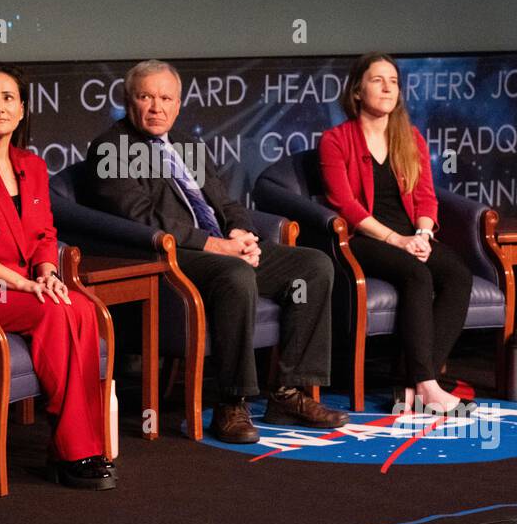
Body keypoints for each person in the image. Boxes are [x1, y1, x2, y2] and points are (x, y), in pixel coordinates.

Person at [86, 59, 348, 444]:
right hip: (169, 258)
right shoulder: (111, 149)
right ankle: (231, 403)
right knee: (236, 274)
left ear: (178, 105)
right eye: (146, 97)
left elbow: (224, 202)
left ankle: (290, 392)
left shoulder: (187, 145)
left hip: (219, 248)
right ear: (128, 100)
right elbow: (140, 220)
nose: (156, 107)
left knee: (312, 265)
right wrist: (220, 247)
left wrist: (242, 233)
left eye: (165, 98)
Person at [0, 64, 116, 489]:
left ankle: (77, 446)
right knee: (54, 314)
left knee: (79, 308)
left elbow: (46, 233)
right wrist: (20, 282)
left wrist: (46, 272)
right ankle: (73, 452)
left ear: (23, 108)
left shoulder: (32, 164)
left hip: (26, 283)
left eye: (8, 98)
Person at [319, 54, 473, 413]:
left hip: (409, 236)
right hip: (363, 239)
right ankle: (426, 385)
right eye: (377, 80)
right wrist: (396, 240)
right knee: (416, 274)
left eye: (393, 80)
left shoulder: (410, 138)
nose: (388, 87)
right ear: (357, 90)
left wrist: (421, 234)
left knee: (457, 275)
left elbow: (426, 196)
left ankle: (416, 387)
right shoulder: (336, 140)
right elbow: (344, 205)